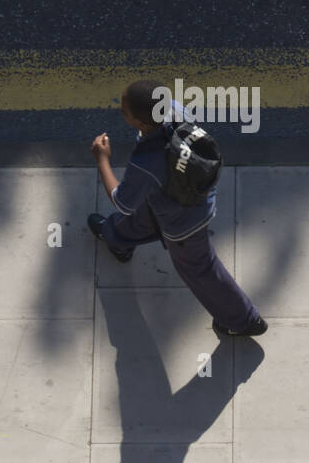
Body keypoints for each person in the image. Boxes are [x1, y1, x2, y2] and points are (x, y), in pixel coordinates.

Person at [88, 79, 267, 337]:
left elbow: (122, 202)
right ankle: (117, 239)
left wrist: (102, 159)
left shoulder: (146, 162)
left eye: (124, 111)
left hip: (184, 224)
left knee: (200, 269)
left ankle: (244, 320)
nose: (120, 111)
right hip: (178, 194)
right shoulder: (174, 109)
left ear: (142, 123)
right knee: (144, 215)